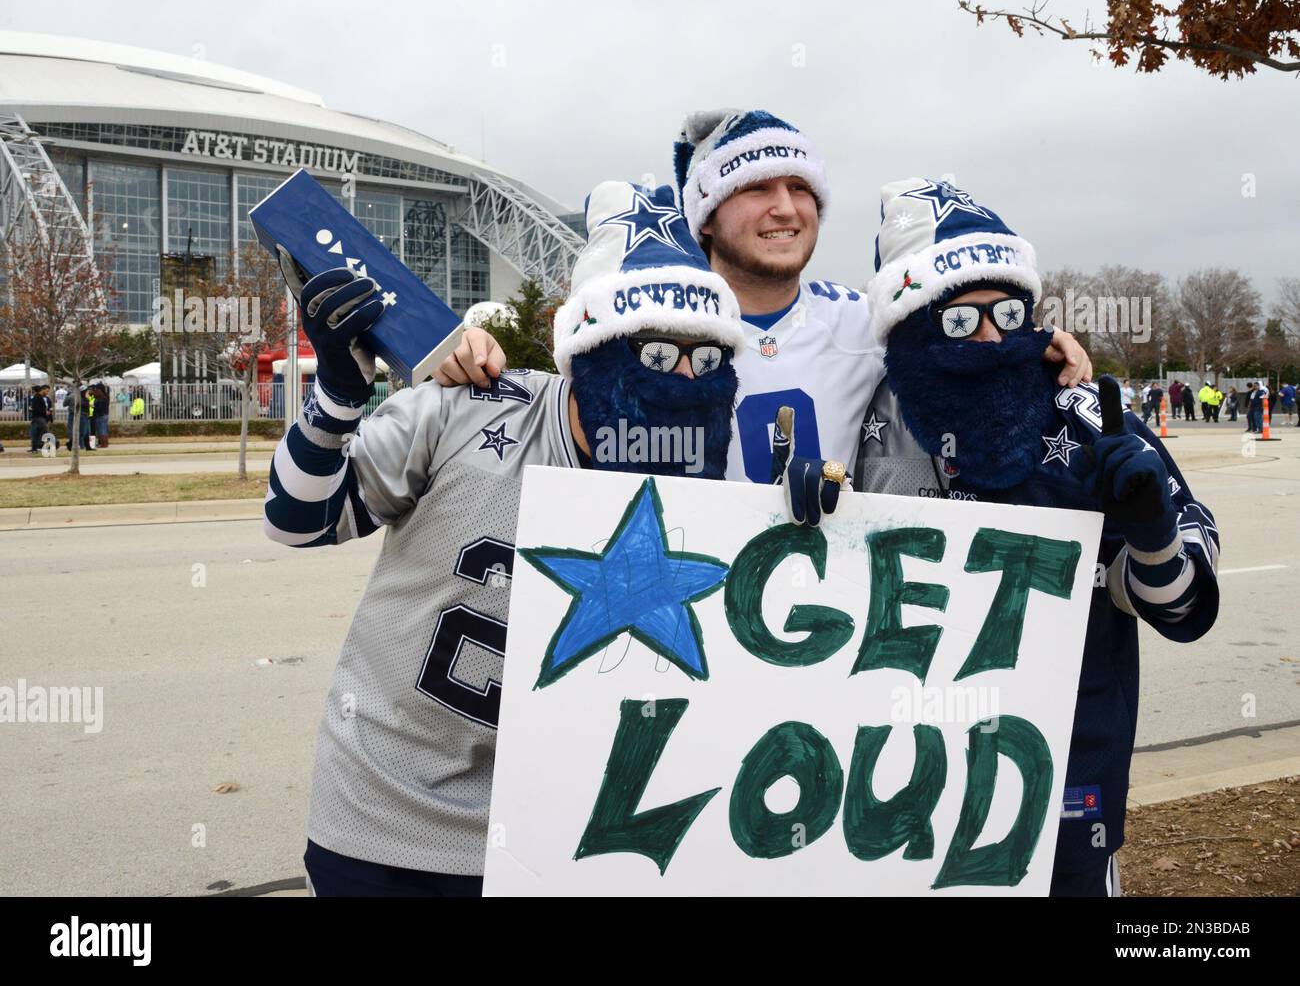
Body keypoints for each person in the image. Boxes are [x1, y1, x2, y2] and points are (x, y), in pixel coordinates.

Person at [264, 182, 746, 897]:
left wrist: (809, 522)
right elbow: (298, 520)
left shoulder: (709, 469)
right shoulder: (466, 408)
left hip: (563, 830)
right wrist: (338, 392)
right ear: (591, 346)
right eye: (655, 352)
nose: (680, 380)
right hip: (386, 813)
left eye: (702, 359)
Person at [842, 178, 1220, 896]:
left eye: (1008, 312)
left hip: (1063, 787)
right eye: (960, 320)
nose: (990, 338)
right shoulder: (862, 423)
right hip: (897, 789)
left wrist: (1151, 536)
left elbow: (1190, 609)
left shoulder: (1086, 418)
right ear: (912, 321)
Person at [435, 110, 1092, 484]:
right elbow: (557, 421)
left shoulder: (866, 324)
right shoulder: (639, 332)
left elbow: (970, 353)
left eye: (801, 188)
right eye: (757, 188)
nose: (785, 207)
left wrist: (1041, 351)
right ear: (708, 215)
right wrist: (470, 357)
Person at [28, 384, 53, 454]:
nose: (47, 393)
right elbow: (36, 408)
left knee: (36, 433)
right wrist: (45, 412)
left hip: (38, 418)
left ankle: (35, 448)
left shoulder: (39, 397)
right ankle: (44, 447)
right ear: (43, 390)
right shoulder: (37, 397)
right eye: (47, 391)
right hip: (39, 418)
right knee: (44, 433)